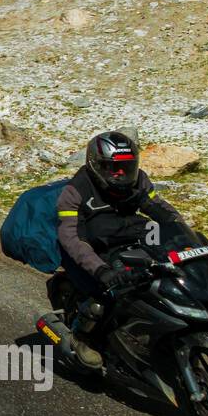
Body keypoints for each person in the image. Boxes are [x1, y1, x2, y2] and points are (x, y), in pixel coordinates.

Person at [55, 131, 191, 368]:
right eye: (113, 168)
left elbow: (160, 209)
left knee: (166, 273)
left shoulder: (138, 181)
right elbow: (71, 238)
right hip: (95, 248)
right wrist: (101, 271)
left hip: (132, 237)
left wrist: (184, 235)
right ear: (96, 165)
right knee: (106, 296)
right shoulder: (75, 191)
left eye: (127, 167)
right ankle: (81, 338)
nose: (121, 173)